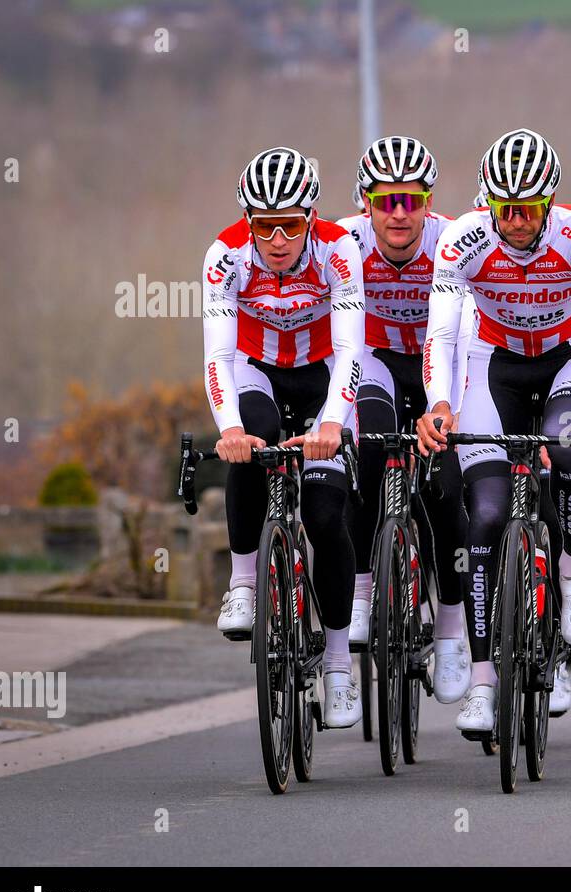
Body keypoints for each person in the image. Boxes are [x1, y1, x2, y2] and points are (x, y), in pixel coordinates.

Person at [417, 129, 571, 732]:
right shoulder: (464, 240)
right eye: (507, 208)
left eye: (531, 208)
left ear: (550, 202)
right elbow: (443, 333)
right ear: (489, 203)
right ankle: (482, 682)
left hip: (567, 359)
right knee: (486, 513)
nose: (520, 220)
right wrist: (440, 404)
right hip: (493, 364)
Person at [203, 146, 366, 728]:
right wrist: (229, 430)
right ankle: (244, 582)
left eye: (291, 224)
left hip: (324, 372)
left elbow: (353, 346)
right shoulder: (225, 255)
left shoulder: (338, 251)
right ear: (248, 221)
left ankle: (341, 665)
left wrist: (332, 422)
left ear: (311, 218)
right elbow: (219, 353)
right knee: (255, 441)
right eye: (263, 225)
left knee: (326, 514)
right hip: (256, 370)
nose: (276, 238)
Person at [336, 136, 472, 704]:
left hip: (441, 361)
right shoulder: (343, 243)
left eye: (411, 200)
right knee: (368, 454)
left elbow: (466, 334)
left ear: (428, 201)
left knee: (447, 491)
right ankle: (365, 590)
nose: (399, 213)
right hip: (374, 362)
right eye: (387, 200)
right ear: (366, 202)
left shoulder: (451, 243)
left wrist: (449, 408)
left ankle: (449, 633)